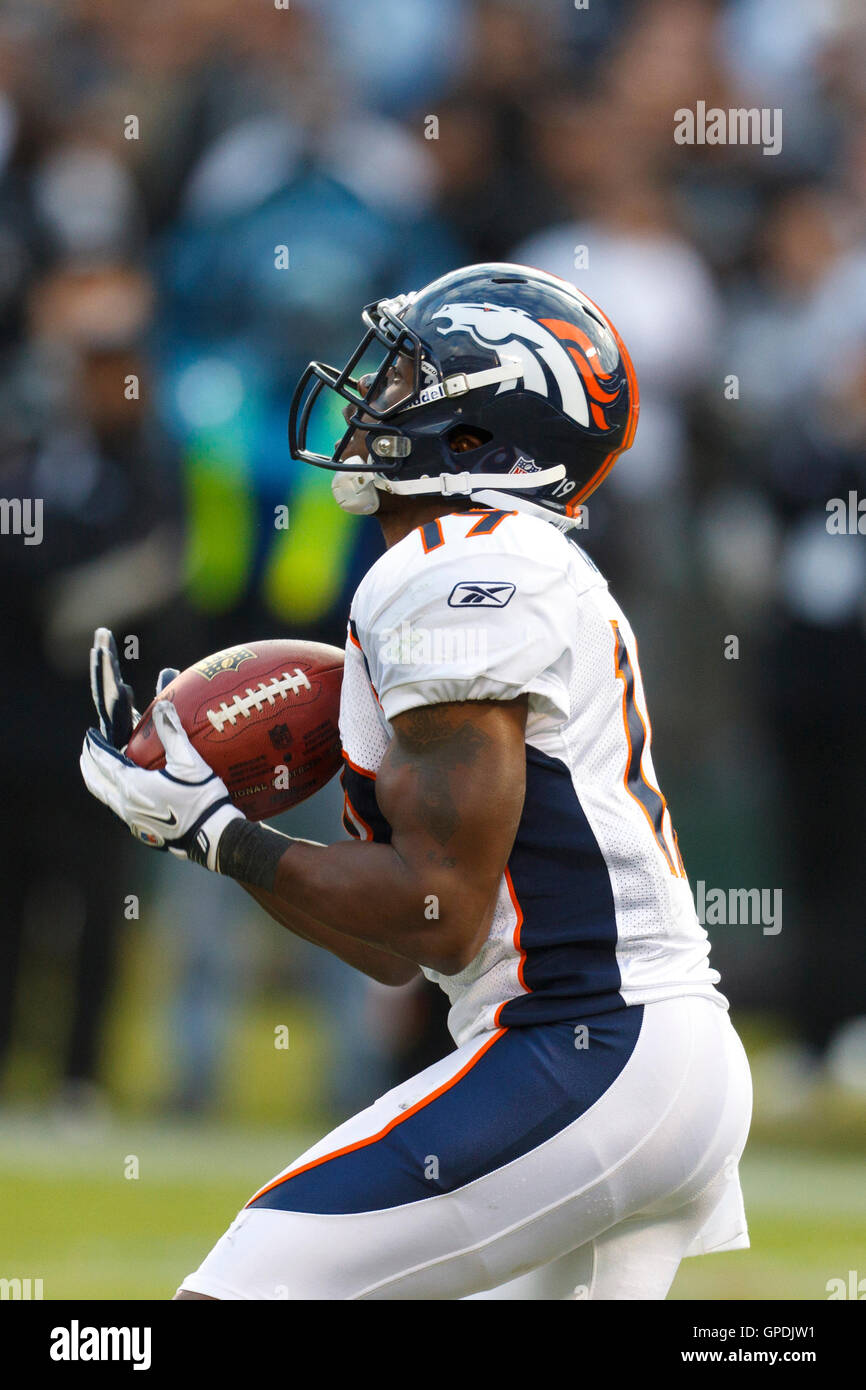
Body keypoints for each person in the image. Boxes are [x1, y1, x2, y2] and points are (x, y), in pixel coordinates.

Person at [80, 263, 752, 1300]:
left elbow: (436, 917)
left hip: (589, 1048)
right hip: (633, 1054)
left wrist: (222, 832)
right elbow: (399, 951)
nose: (369, 399)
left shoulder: (454, 565)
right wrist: (199, 831)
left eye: (404, 377)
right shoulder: (492, 559)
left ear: (480, 428)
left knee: (242, 1289)